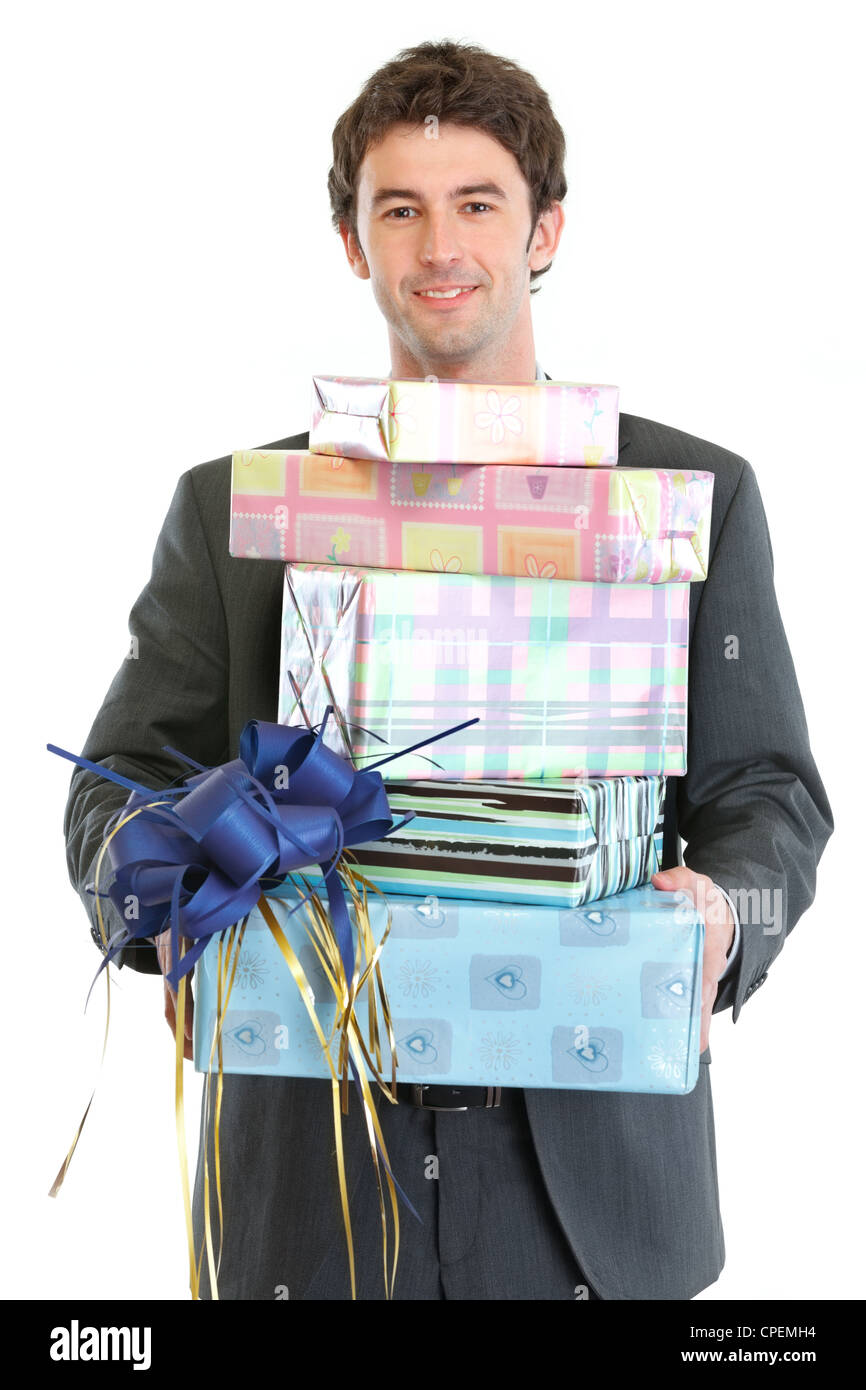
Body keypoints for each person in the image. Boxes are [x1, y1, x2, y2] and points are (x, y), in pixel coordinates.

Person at [62, 39, 833, 1300]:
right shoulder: (237, 508)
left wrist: (720, 920)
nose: (439, 248)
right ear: (353, 241)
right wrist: (167, 899)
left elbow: (767, 796)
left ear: (546, 230)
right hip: (310, 1202)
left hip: (597, 1208)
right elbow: (112, 782)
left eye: (478, 203)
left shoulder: (685, 499)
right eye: (399, 209)